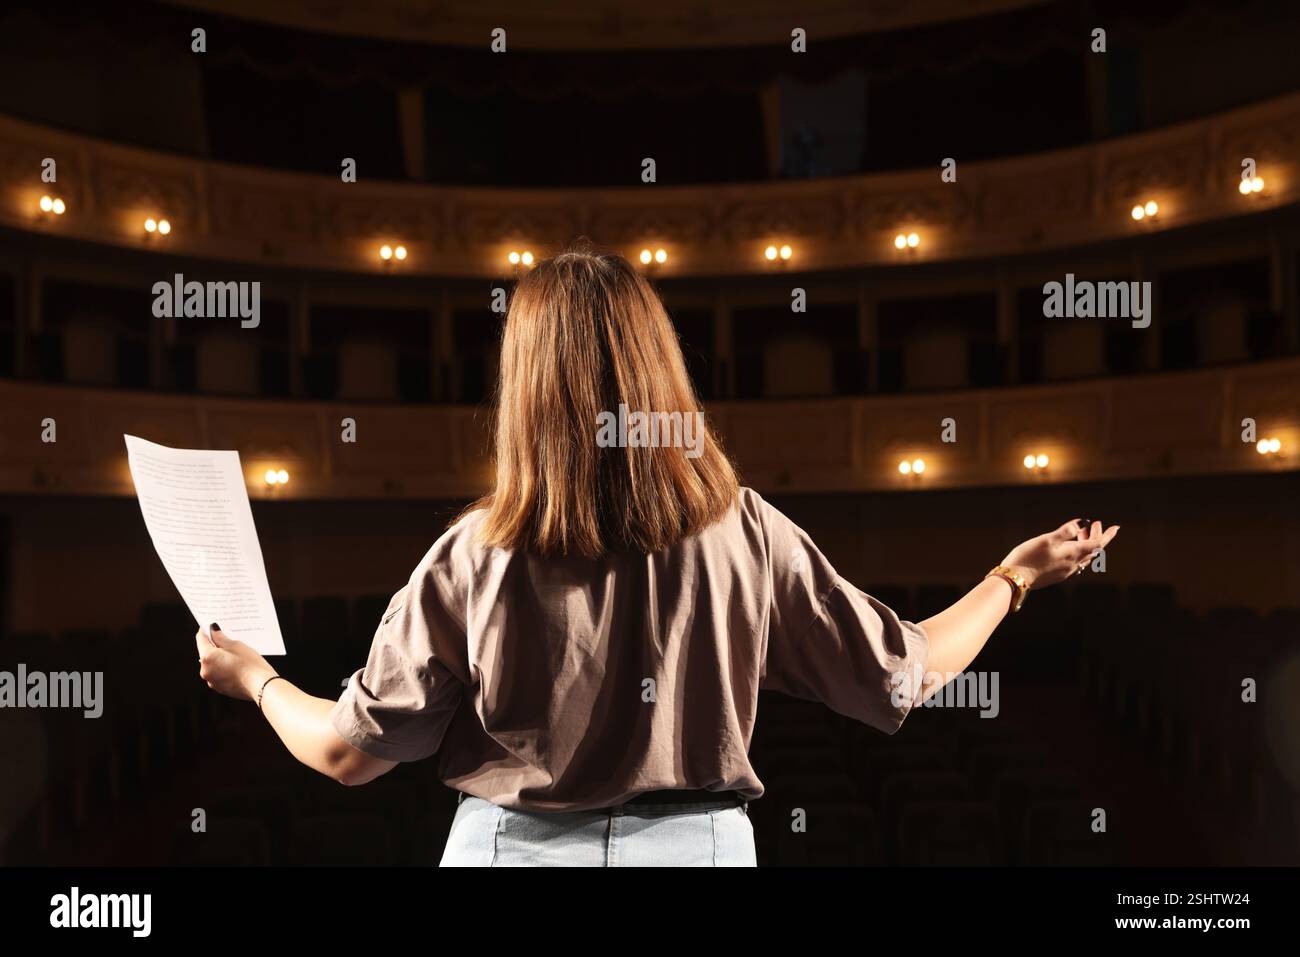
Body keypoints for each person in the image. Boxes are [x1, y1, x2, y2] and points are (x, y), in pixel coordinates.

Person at [195, 246, 1119, 866]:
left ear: (523, 386)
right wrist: (1015, 578)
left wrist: (256, 679)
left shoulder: (472, 554)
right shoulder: (746, 531)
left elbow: (347, 755)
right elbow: (906, 673)